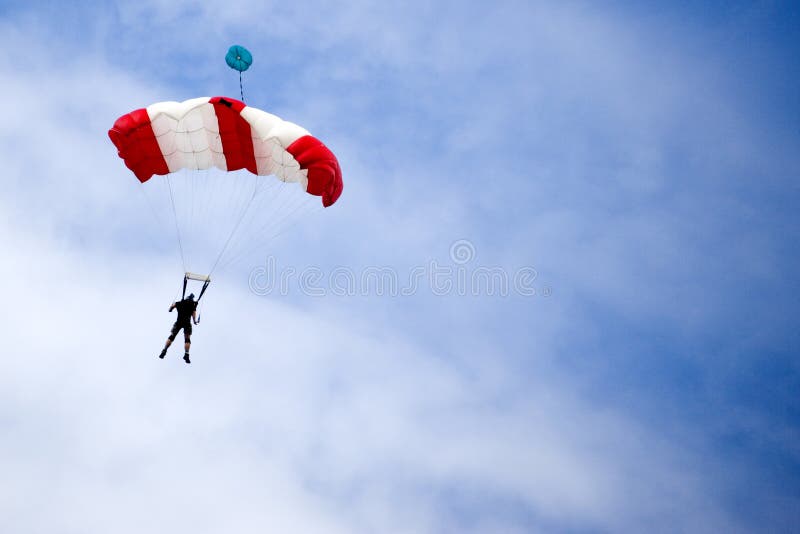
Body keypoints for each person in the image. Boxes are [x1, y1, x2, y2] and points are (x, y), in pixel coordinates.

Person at [159, 293, 199, 364]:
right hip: (187, 323)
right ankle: (186, 354)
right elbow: (193, 314)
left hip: (179, 322)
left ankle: (164, 350)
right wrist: (195, 321)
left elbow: (170, 309)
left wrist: (171, 308)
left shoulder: (179, 303)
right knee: (187, 339)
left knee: (172, 336)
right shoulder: (193, 305)